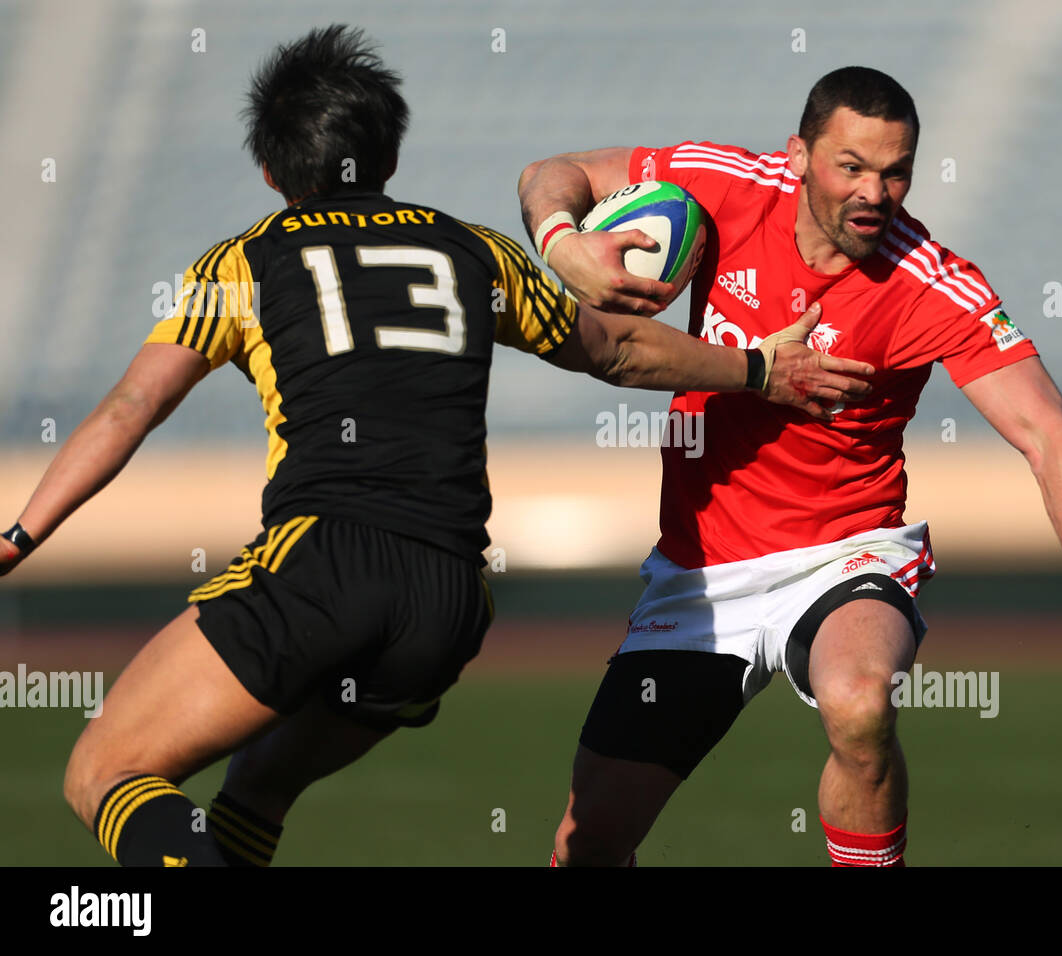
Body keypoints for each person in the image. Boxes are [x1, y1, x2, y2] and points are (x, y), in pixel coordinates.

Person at [0, 26, 871, 867]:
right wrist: (761, 368)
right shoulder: (472, 251)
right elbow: (618, 349)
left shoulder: (246, 262)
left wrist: (19, 536)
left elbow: (128, 409)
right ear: (388, 157)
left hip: (323, 562)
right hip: (448, 600)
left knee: (106, 773)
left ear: (269, 170)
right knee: (255, 791)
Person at [518, 65, 1062, 867]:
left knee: (860, 702)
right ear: (798, 156)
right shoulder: (722, 186)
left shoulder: (934, 283)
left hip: (844, 554)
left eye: (895, 173)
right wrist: (562, 243)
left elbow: (1048, 431)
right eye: (851, 167)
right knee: (589, 842)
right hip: (700, 571)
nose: (874, 193)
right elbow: (550, 174)